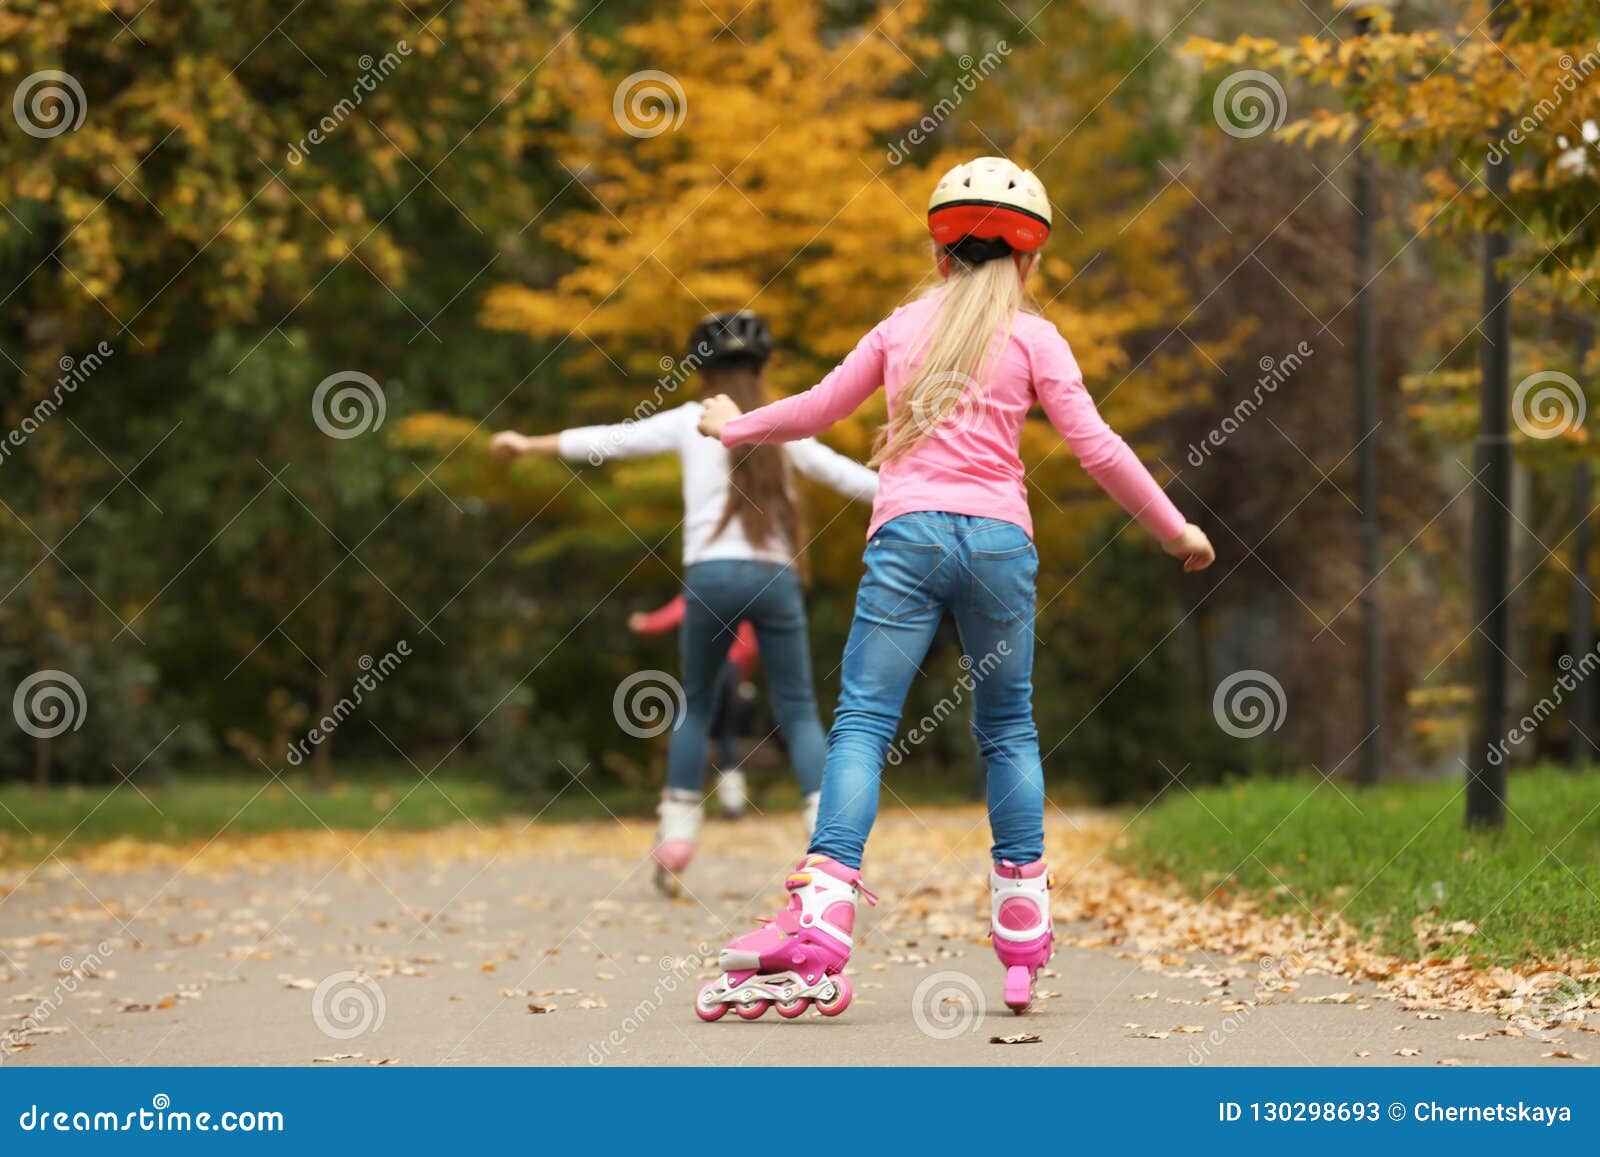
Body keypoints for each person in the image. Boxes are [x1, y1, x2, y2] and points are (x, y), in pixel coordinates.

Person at [690, 157, 1215, 1022]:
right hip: (1001, 544)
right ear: (1029, 262)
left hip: (908, 536)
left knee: (862, 721)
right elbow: (1100, 449)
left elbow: (818, 408)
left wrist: (730, 422)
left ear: (942, 255)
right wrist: (1175, 529)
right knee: (1008, 726)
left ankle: (822, 917)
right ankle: (1021, 925)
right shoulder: (1037, 339)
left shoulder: (901, 327)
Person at [489, 310, 878, 895]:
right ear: (762, 366)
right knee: (798, 710)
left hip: (710, 576)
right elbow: (852, 478)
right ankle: (827, 850)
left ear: (702, 371)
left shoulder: (686, 420)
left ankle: (676, 841)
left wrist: (529, 443)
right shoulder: (784, 428)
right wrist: (941, 492)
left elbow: (609, 440)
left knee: (695, 705)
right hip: (776, 577)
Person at [629, 595, 758, 820]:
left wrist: (643, 623)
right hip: (731, 670)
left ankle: (683, 803)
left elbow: (666, 618)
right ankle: (733, 802)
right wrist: (741, 675)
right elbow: (750, 646)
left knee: (692, 726)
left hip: (706, 668)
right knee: (726, 733)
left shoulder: (699, 589)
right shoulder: (737, 598)